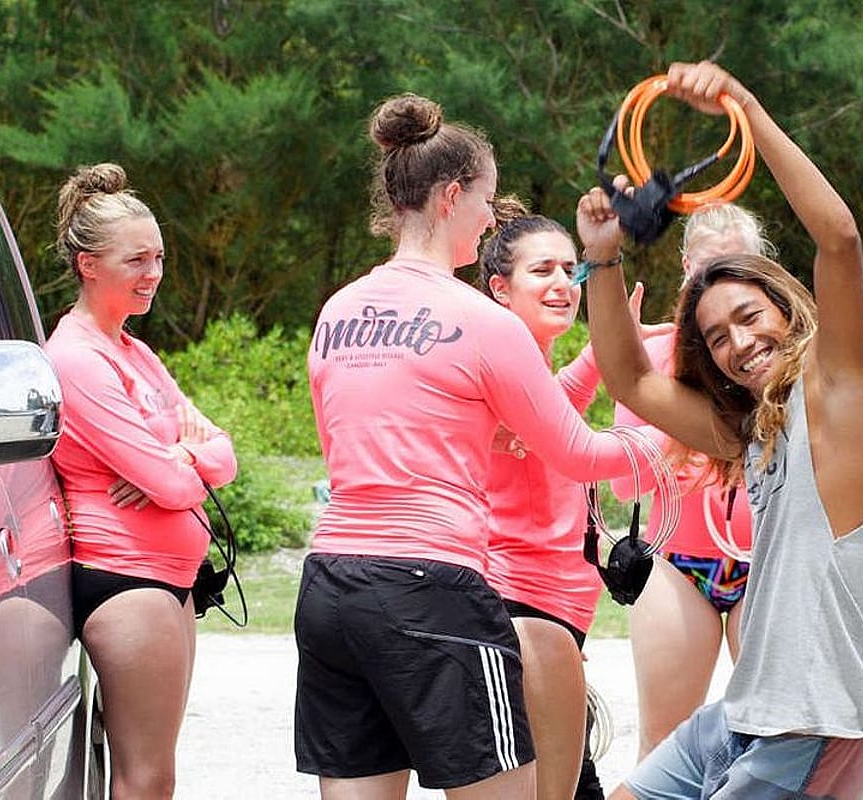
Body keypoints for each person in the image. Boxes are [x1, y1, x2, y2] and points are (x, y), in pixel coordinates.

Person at [298, 93, 650, 800]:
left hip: (329, 584)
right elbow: (576, 451)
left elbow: (345, 442)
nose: (493, 218)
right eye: (487, 200)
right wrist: (664, 453)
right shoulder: (479, 319)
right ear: (454, 195)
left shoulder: (337, 311)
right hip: (432, 586)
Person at [580, 60, 863, 799]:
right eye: (717, 337)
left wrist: (745, 107)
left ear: (785, 306)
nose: (738, 342)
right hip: (750, 708)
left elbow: (842, 240)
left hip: (815, 720)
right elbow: (629, 379)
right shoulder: (750, 431)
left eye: (748, 317)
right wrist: (600, 254)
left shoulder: (843, 392)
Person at [46, 163, 238, 799]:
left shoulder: (134, 350)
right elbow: (181, 487)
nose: (153, 273)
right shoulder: (77, 356)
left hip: (171, 581)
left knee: (155, 775)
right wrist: (177, 460)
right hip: (128, 578)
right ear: (88, 265)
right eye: (136, 260)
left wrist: (180, 457)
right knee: (143, 779)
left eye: (158, 257)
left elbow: (224, 457)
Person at [479, 204, 657, 800]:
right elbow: (574, 441)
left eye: (569, 270)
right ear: (500, 289)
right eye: (542, 271)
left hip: (555, 614)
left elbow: (565, 397)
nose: (562, 283)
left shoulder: (530, 365)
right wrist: (692, 436)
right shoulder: (495, 362)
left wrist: (612, 340)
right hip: (524, 607)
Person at [610, 203, 761, 760]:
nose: (719, 286)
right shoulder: (654, 355)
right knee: (664, 745)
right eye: (708, 270)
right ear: (684, 267)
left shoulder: (780, 354)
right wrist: (676, 451)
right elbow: (624, 486)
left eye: (737, 269)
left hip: (766, 560)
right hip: (678, 565)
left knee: (781, 737)